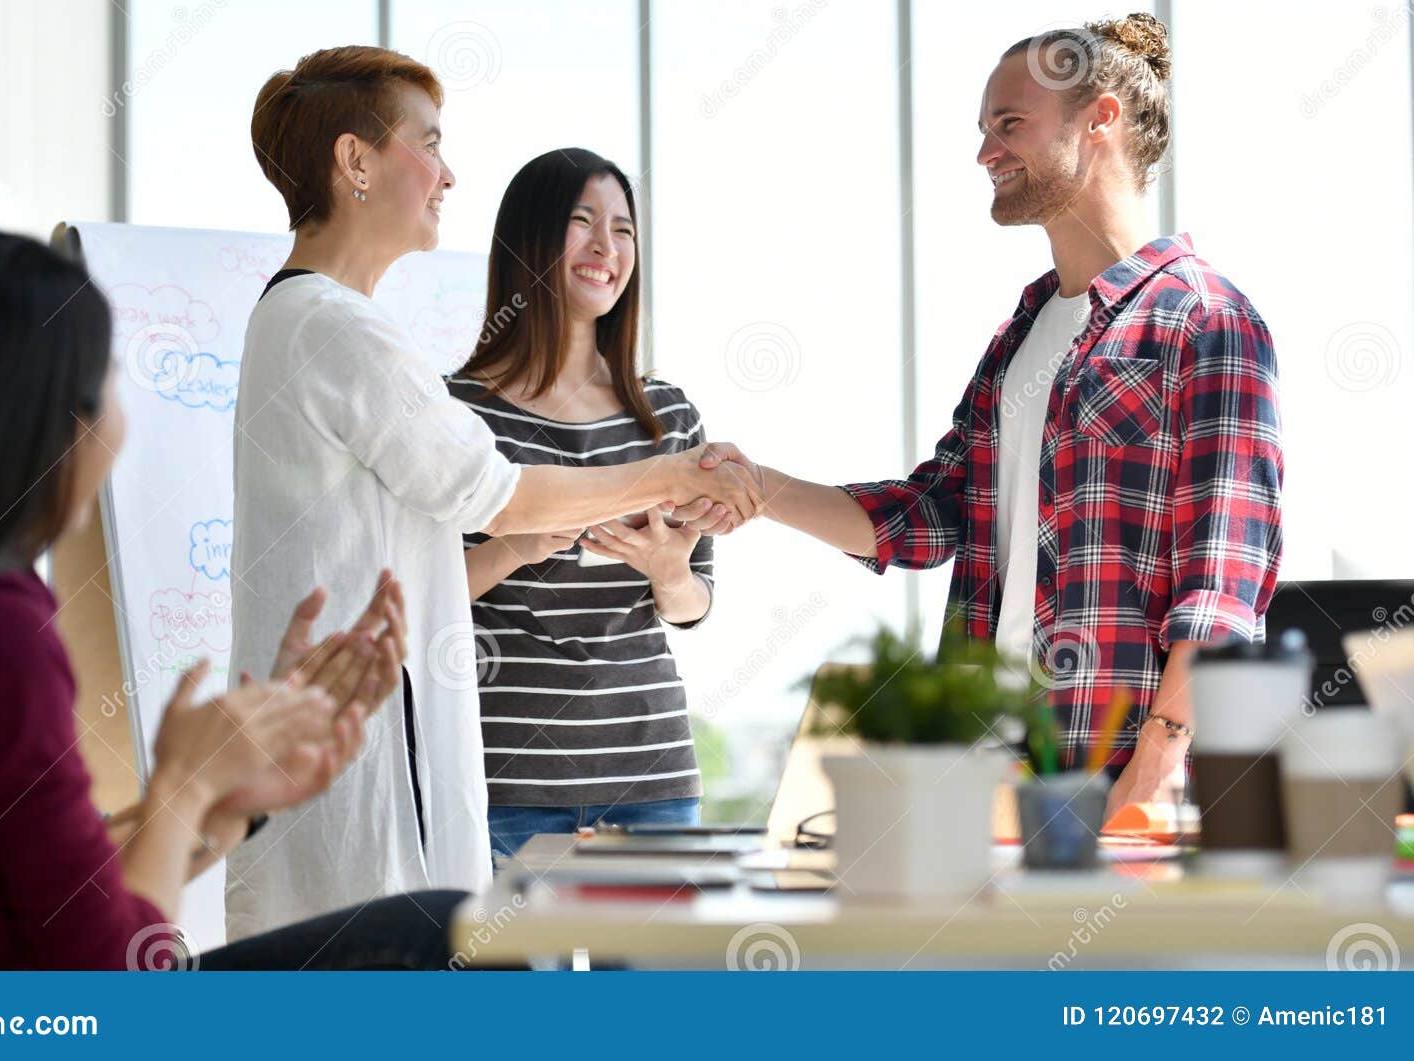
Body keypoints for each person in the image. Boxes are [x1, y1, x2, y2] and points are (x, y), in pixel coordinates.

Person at [0, 233, 463, 971]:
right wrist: (186, 782)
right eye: (112, 377)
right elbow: (112, 975)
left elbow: (66, 900)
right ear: (62, 419)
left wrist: (229, 798)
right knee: (445, 935)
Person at [227, 45, 761, 939]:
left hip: (568, 761)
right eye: (428, 144)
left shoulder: (313, 319)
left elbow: (678, 590)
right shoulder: (336, 329)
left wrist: (667, 542)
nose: (446, 174)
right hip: (391, 771)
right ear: (356, 162)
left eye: (623, 226)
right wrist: (670, 474)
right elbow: (499, 495)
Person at [698, 14, 1283, 819]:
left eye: (1010, 124)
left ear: (1100, 118)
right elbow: (931, 515)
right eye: (984, 129)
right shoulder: (1023, 336)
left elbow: (1220, 583)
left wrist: (1153, 770)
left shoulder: (1207, 321)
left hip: (1124, 777)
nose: (985, 152)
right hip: (991, 770)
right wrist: (760, 487)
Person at [450, 148, 714, 859]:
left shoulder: (667, 418)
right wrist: (517, 544)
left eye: (624, 229)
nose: (607, 248)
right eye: (582, 222)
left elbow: (694, 603)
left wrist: (668, 570)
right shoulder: (456, 414)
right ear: (531, 239)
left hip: (650, 773)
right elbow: (424, 590)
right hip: (503, 778)